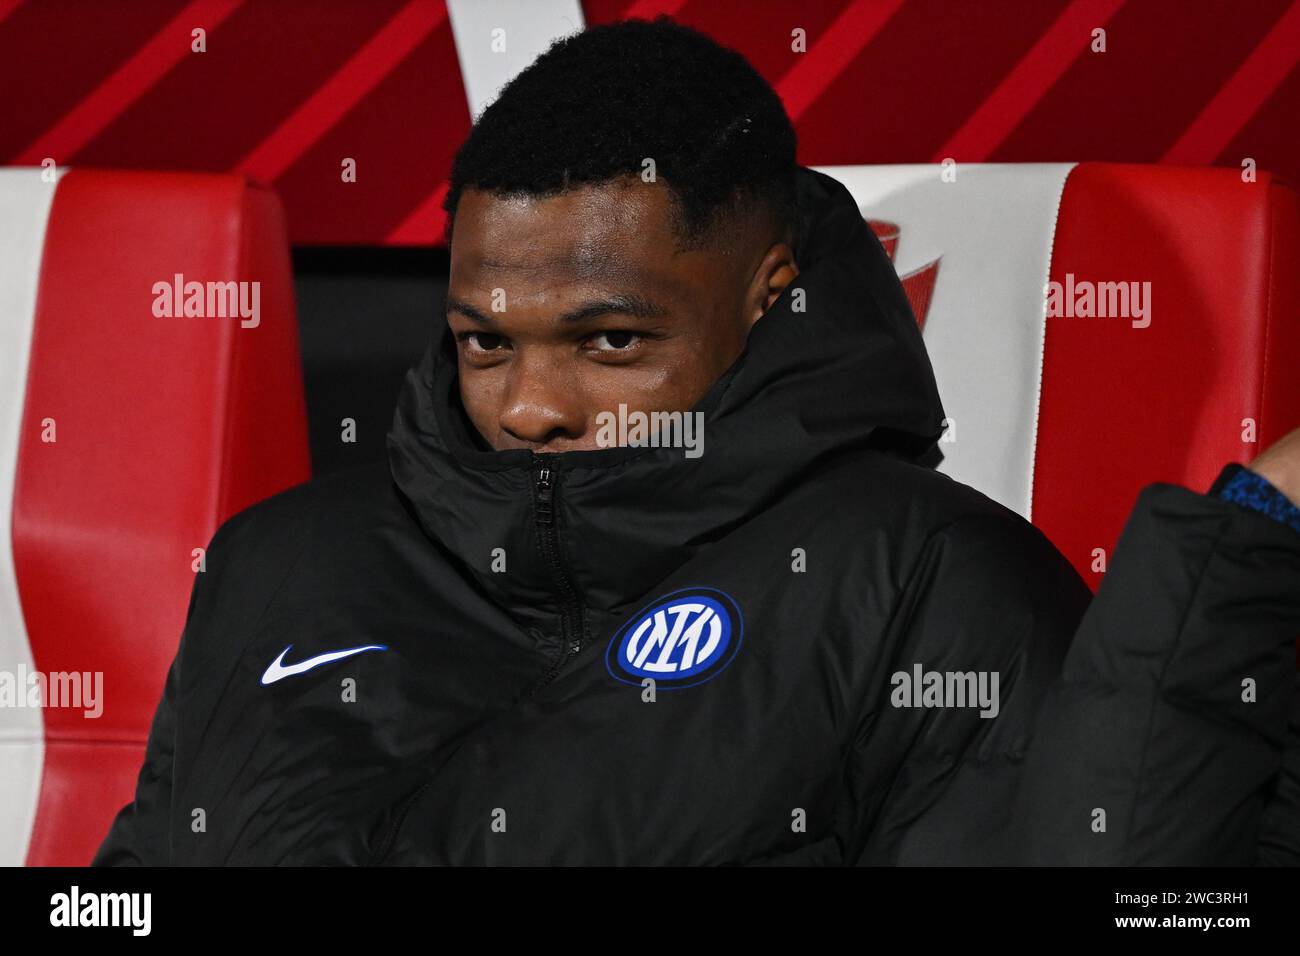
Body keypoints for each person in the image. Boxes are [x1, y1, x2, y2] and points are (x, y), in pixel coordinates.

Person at [93, 16, 1300, 866]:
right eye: (485, 342)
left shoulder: (928, 584)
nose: (530, 406)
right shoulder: (275, 561)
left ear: (767, 295)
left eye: (610, 341)